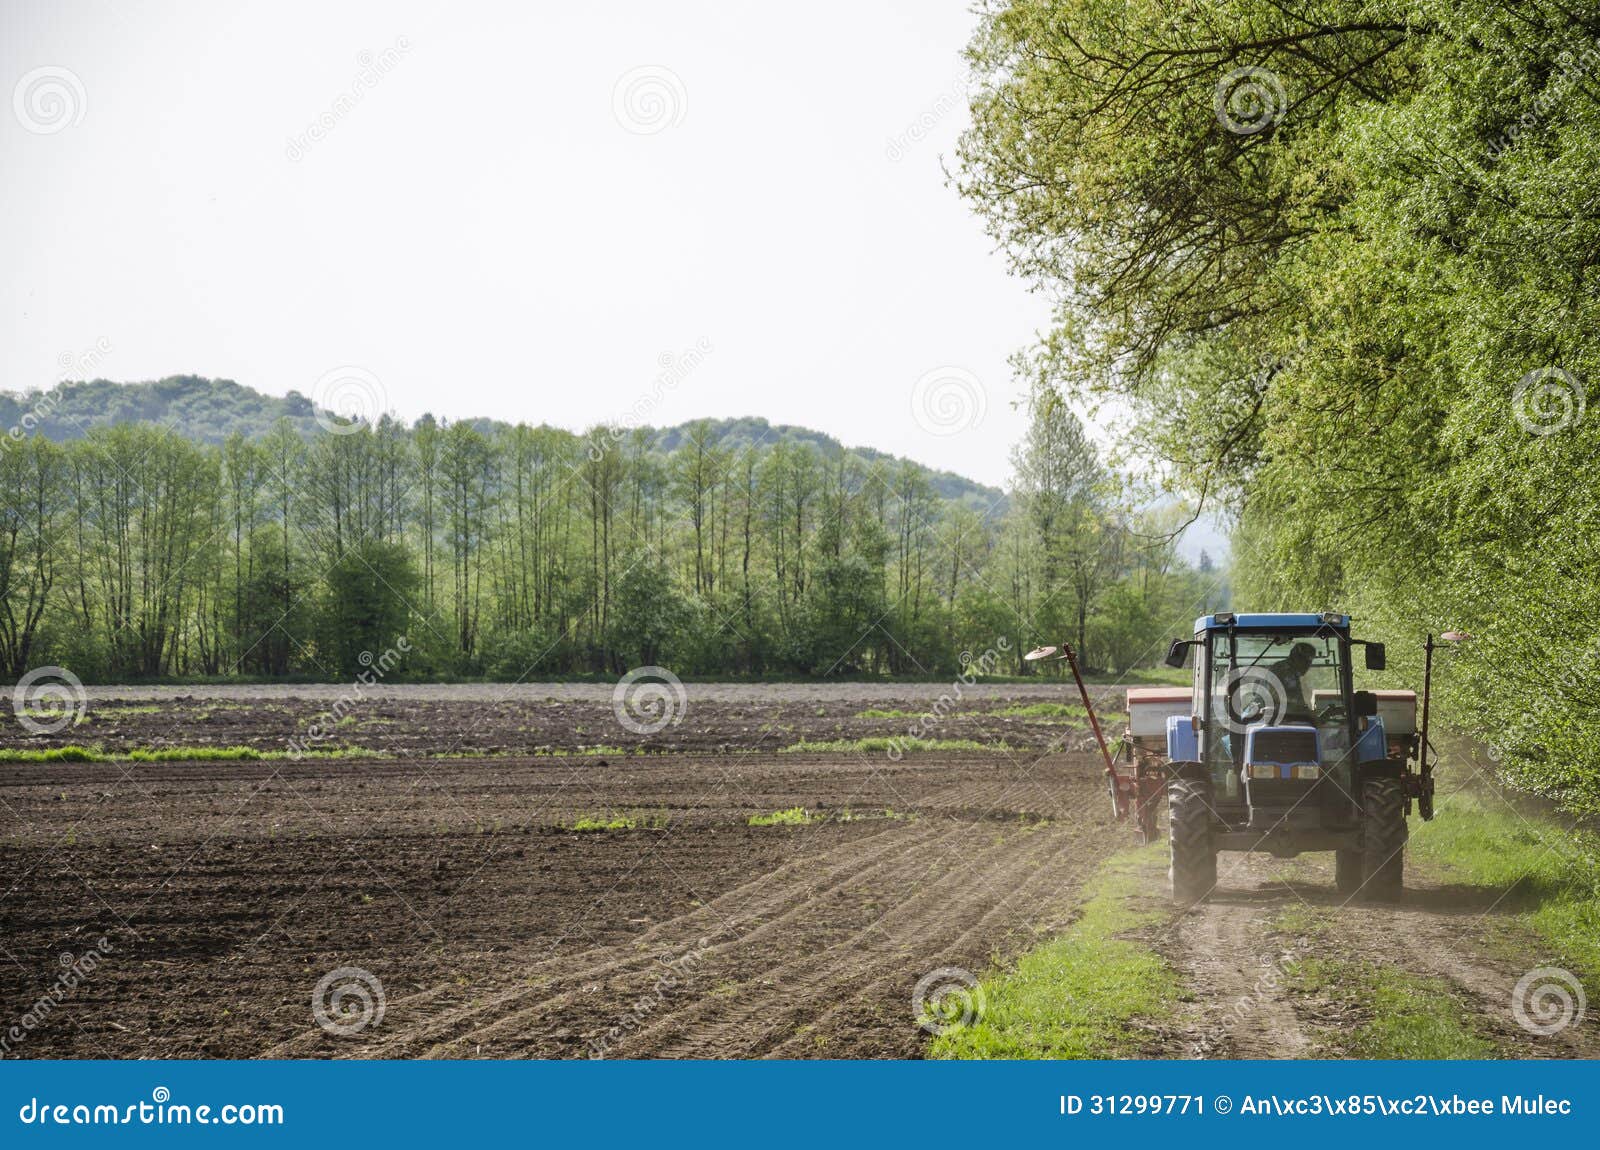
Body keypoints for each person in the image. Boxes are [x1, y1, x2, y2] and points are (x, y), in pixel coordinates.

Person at [1266, 642, 1317, 722]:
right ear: (1296, 658)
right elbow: (1273, 694)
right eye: (1306, 661)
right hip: (1278, 718)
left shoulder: (1296, 673)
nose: (1308, 665)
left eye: (1310, 661)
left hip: (1291, 716)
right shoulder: (1281, 670)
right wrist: (1299, 706)